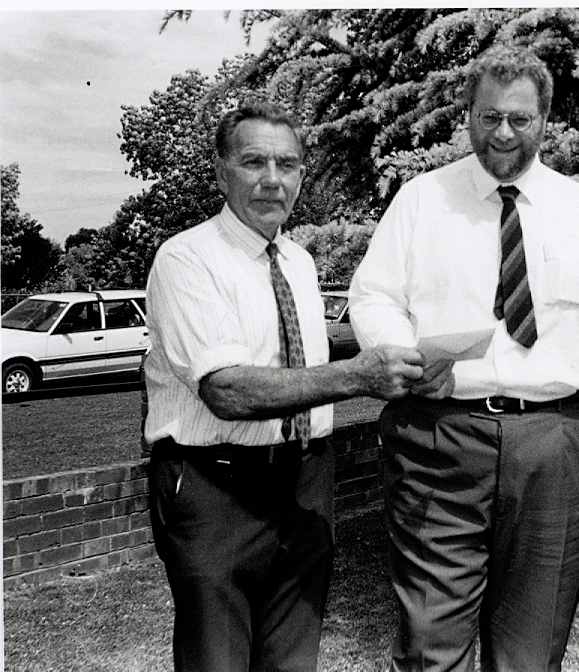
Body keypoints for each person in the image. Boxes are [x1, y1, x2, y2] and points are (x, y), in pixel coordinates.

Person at [348, 45, 579, 671]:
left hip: (554, 444)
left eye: (520, 119)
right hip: (438, 439)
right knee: (431, 645)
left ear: (545, 120)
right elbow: (372, 295)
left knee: (531, 652)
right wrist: (398, 353)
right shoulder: (422, 200)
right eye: (488, 118)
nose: (503, 133)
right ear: (468, 115)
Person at [144, 101, 424, 672]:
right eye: (254, 162)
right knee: (216, 660)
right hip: (213, 484)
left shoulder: (297, 261)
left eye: (288, 164)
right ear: (222, 171)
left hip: (304, 482)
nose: (273, 179)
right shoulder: (186, 259)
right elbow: (226, 390)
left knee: (294, 660)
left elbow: (295, 356)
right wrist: (358, 376)